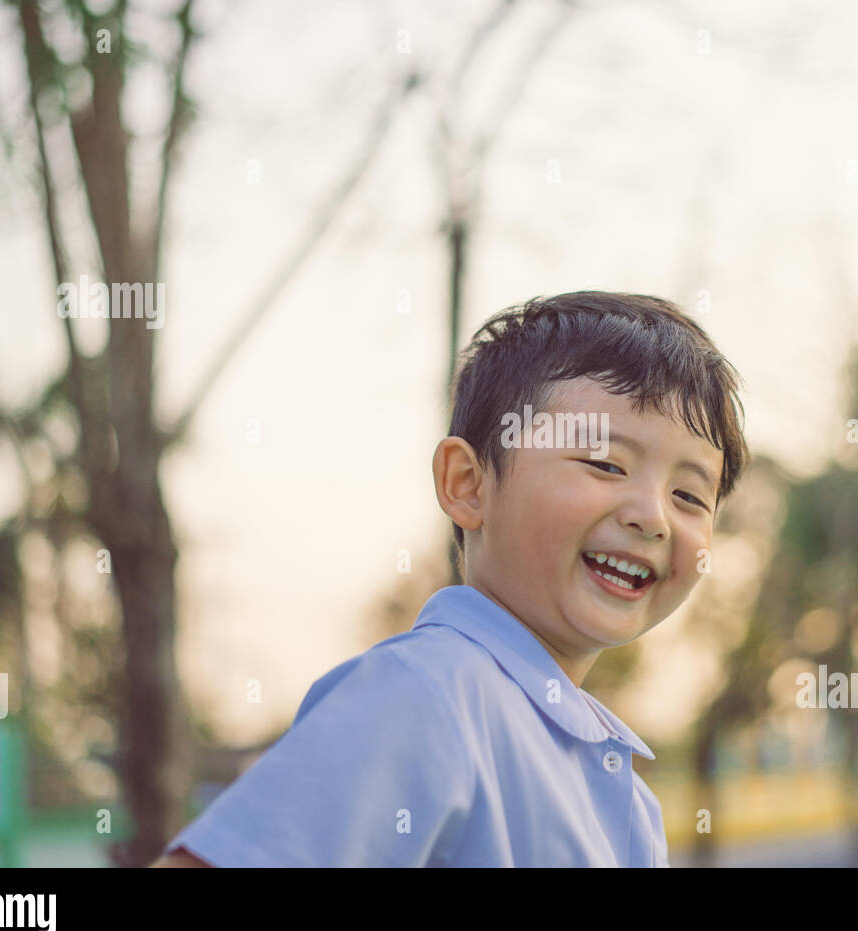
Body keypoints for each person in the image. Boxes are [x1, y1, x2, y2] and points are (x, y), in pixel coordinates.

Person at [150, 291, 748, 867]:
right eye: (604, 464)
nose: (653, 515)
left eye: (689, 495)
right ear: (468, 484)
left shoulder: (626, 793)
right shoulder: (426, 696)